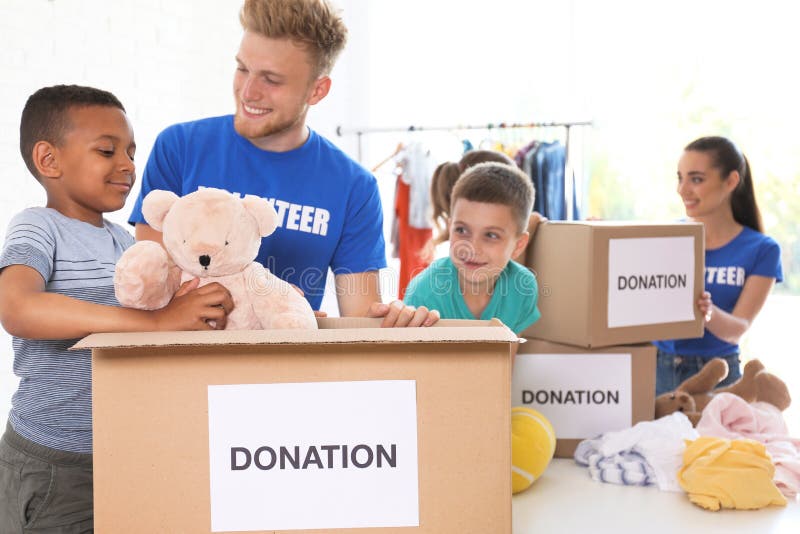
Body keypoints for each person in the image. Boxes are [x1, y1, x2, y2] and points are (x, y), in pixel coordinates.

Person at [0, 85, 234, 532]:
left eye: (130, 151)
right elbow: (17, 307)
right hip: (55, 466)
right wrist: (155, 322)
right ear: (49, 160)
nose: (127, 165)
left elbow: (173, 321)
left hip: (122, 456)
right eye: (107, 151)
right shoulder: (38, 226)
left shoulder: (125, 243)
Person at [128, 0, 437, 327]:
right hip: (179, 367)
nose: (248, 92)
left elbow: (361, 317)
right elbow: (151, 287)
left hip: (288, 368)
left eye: (271, 80)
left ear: (317, 90)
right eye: (242, 68)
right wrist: (256, 302)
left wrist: (394, 321)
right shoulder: (179, 148)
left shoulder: (354, 187)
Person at [654, 136, 782, 395]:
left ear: (731, 181)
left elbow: (739, 328)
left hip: (718, 376)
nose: (683, 189)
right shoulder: (666, 237)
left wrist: (707, 312)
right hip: (657, 369)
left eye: (696, 179)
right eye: (680, 178)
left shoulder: (762, 249)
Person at [404, 162, 541, 334]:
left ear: (518, 245)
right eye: (462, 230)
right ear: (450, 227)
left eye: (491, 235)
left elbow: (506, 358)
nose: (472, 248)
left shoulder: (523, 287)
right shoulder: (423, 295)